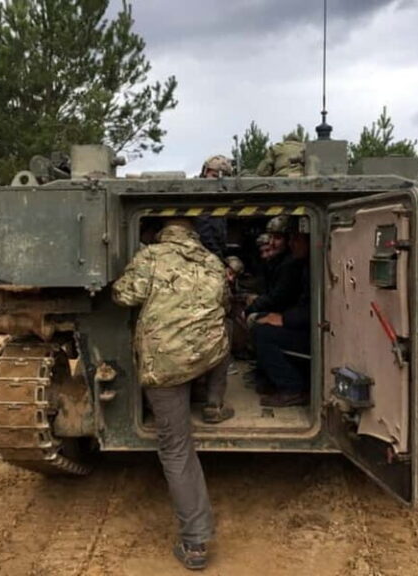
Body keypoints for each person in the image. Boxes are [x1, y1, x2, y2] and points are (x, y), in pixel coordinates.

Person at [112, 218, 231, 570]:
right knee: (224, 344)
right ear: (192, 235)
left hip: (165, 365)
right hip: (206, 356)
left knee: (177, 447)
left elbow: (123, 296)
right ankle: (213, 402)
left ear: (164, 234)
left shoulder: (151, 257)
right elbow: (224, 299)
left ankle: (195, 544)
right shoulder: (211, 261)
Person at [251, 227, 311, 407]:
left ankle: (292, 388)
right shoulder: (303, 264)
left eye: (296, 239)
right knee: (261, 322)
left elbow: (314, 307)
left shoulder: (304, 266)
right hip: (303, 323)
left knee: (262, 333)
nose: (291, 244)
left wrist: (284, 319)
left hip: (313, 332)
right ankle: (270, 377)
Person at [195, 155, 233, 260]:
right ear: (205, 172)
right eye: (214, 176)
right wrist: (217, 254)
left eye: (224, 178)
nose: (218, 181)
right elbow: (204, 231)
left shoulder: (223, 200)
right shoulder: (199, 197)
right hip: (203, 253)